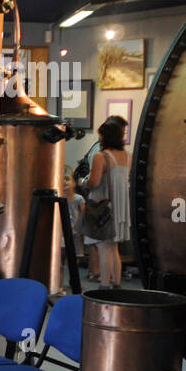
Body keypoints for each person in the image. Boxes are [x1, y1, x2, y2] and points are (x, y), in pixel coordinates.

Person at [80, 118, 130, 288]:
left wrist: (82, 182)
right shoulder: (126, 156)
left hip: (103, 206)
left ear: (104, 136)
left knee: (103, 248)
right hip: (120, 207)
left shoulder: (101, 156)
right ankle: (117, 283)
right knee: (113, 248)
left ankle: (104, 285)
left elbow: (94, 182)